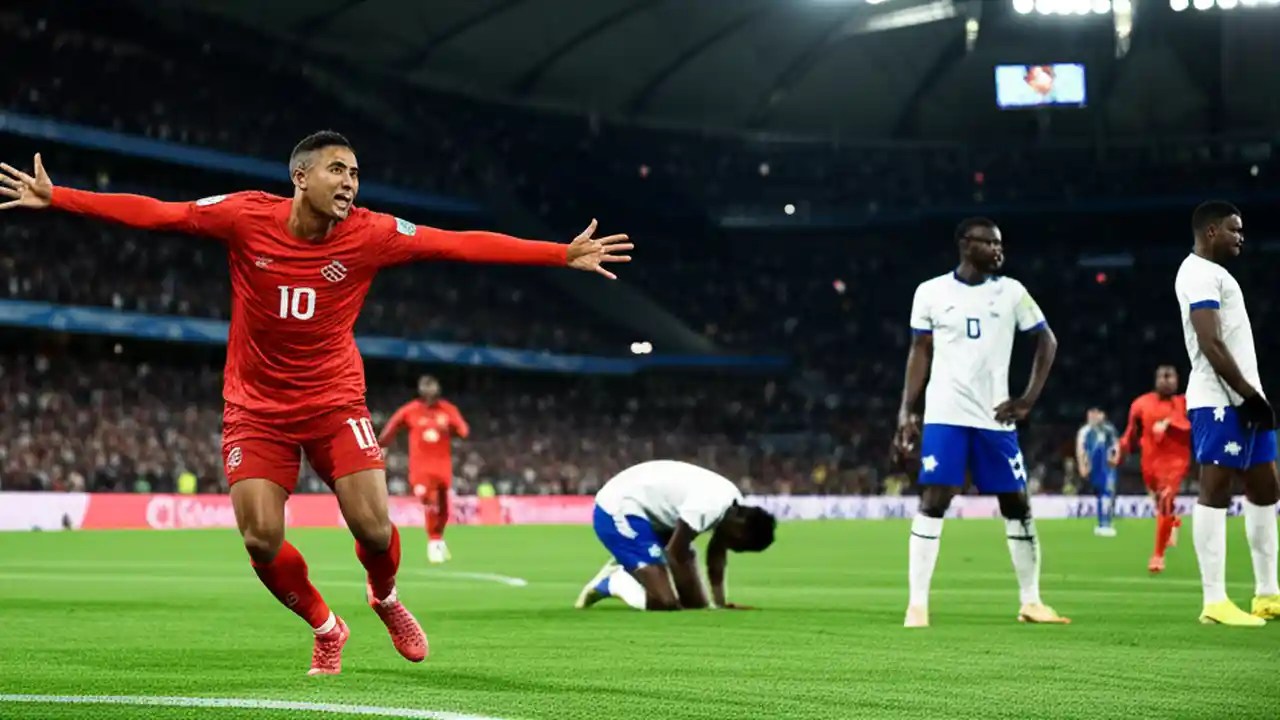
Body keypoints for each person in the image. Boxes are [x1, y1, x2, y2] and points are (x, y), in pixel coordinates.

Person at [0, 133, 632, 672]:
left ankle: (385, 597)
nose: (350, 182)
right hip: (256, 408)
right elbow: (160, 213)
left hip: (335, 402)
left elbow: (456, 243)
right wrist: (62, 197)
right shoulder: (245, 216)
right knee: (259, 538)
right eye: (337, 170)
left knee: (375, 528)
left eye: (355, 173)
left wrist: (559, 253)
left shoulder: (372, 234)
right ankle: (327, 627)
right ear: (300, 177)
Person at [895, 217, 1068, 628]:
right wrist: (906, 409)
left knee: (1016, 503)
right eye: (989, 243)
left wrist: (1027, 399)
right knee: (934, 500)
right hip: (945, 414)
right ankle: (917, 606)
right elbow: (920, 351)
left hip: (994, 417)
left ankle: (1031, 602)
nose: (997, 250)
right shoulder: (931, 292)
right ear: (965, 244)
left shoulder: (1012, 292)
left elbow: (1047, 340)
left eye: (1000, 244)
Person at [1174, 201, 1279, 626]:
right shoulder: (1198, 273)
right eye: (1235, 229)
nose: (1241, 237)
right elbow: (1210, 343)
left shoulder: (1216, 274)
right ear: (1212, 231)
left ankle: (1267, 593)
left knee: (1266, 488)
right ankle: (1214, 600)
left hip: (1243, 396)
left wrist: (1252, 395)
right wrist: (1247, 396)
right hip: (1218, 399)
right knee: (1215, 489)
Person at [574, 460, 776, 612]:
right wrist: (674, 594)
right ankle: (615, 581)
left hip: (649, 510)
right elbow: (675, 553)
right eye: (738, 545)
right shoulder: (708, 506)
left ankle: (639, 566)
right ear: (740, 528)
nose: (732, 547)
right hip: (617, 507)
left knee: (696, 606)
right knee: (665, 603)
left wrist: (719, 604)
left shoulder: (734, 507)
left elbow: (716, 555)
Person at [378, 375, 469, 564]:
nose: (429, 390)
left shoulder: (447, 409)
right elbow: (392, 426)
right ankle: (433, 542)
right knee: (429, 500)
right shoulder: (410, 410)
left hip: (442, 466)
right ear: (420, 390)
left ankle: (438, 539)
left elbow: (463, 430)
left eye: (432, 386)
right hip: (421, 468)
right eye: (425, 387)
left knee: (443, 505)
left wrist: (450, 428)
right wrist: (381, 444)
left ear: (437, 388)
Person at [1110, 365, 1191, 573]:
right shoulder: (1141, 404)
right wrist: (1120, 450)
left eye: (1170, 377)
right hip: (1150, 463)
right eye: (1163, 377)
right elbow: (1131, 433)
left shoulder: (1185, 403)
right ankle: (1172, 521)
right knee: (1160, 502)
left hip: (1175, 462)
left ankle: (1158, 555)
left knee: (1165, 499)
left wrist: (1169, 423)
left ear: (1177, 380)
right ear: (1156, 380)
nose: (1167, 381)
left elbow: (1191, 425)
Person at [1076, 407, 1119, 537]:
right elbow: (1080, 449)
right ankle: (1102, 523)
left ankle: (1107, 522)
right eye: (1091, 415)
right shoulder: (1085, 431)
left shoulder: (1109, 429)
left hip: (1108, 466)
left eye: (1096, 414)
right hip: (1095, 466)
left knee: (1109, 492)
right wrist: (1082, 465)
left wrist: (1115, 458)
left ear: (1102, 415)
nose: (1093, 417)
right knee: (1101, 493)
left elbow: (1116, 445)